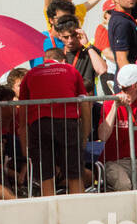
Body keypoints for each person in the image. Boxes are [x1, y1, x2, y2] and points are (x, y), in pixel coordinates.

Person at [16, 48, 89, 195]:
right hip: (67, 123)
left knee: (45, 175)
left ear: (45, 60)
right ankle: (80, 210)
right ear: (63, 60)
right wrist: (84, 137)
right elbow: (85, 106)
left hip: (39, 124)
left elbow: (22, 112)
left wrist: (25, 146)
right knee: (74, 174)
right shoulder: (71, 70)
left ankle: (50, 213)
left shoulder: (30, 74)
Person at [107, 0, 137, 69]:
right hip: (129, 79)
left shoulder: (125, 17)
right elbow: (121, 59)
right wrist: (131, 82)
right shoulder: (122, 23)